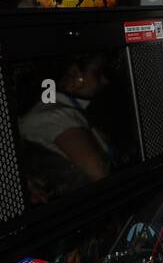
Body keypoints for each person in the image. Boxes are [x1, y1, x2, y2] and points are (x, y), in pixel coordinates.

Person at [19, 51, 115, 200]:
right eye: (97, 72)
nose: (104, 81)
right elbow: (99, 173)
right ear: (76, 73)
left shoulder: (66, 110)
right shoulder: (52, 115)